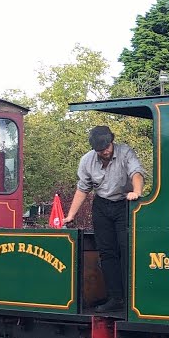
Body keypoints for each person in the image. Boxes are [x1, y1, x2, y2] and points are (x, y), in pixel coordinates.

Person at [65, 125, 144, 313]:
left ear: (112, 141)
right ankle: (116, 298)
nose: (106, 151)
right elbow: (83, 189)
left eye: (107, 146)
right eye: (101, 149)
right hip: (101, 205)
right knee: (107, 252)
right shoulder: (87, 160)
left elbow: (137, 173)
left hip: (124, 204)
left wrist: (137, 192)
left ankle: (133, 298)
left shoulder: (125, 153)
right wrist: (71, 215)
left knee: (127, 249)